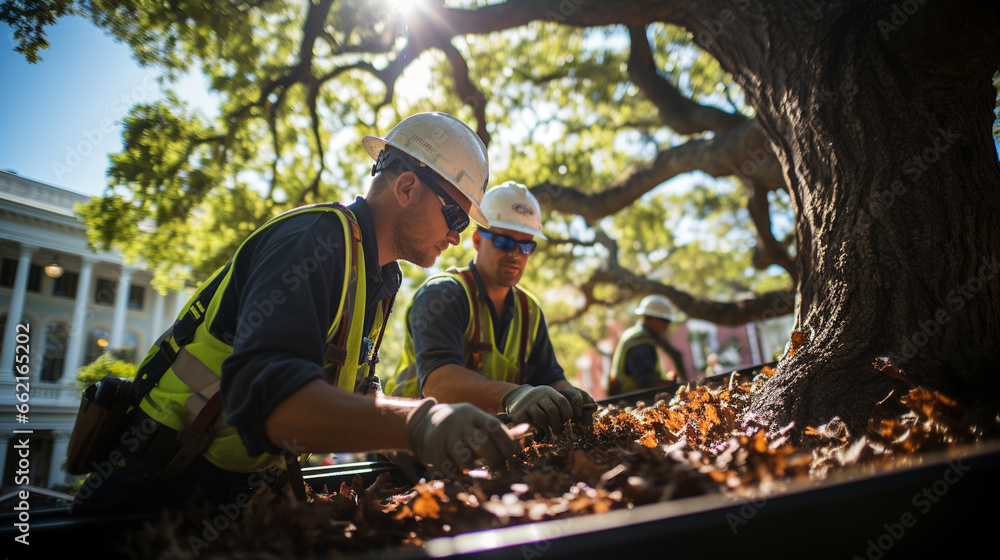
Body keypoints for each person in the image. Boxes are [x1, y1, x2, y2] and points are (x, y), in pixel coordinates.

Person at [70, 112, 523, 515]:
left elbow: (352, 392)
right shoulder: (315, 241)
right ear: (406, 187)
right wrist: (420, 423)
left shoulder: (380, 277)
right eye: (456, 218)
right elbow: (275, 407)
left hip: (230, 491)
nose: (458, 238)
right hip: (155, 487)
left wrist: (402, 437)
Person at [384, 181, 594, 435]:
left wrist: (568, 395)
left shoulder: (530, 310)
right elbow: (438, 384)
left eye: (526, 246)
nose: (516, 254)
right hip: (412, 447)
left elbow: (549, 376)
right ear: (477, 239)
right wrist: (511, 395)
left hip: (485, 447)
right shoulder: (442, 295)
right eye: (504, 242)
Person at [606, 294, 688, 396]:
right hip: (633, 402)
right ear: (653, 318)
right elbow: (646, 381)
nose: (667, 326)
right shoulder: (639, 341)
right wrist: (675, 386)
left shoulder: (636, 335)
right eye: (666, 321)